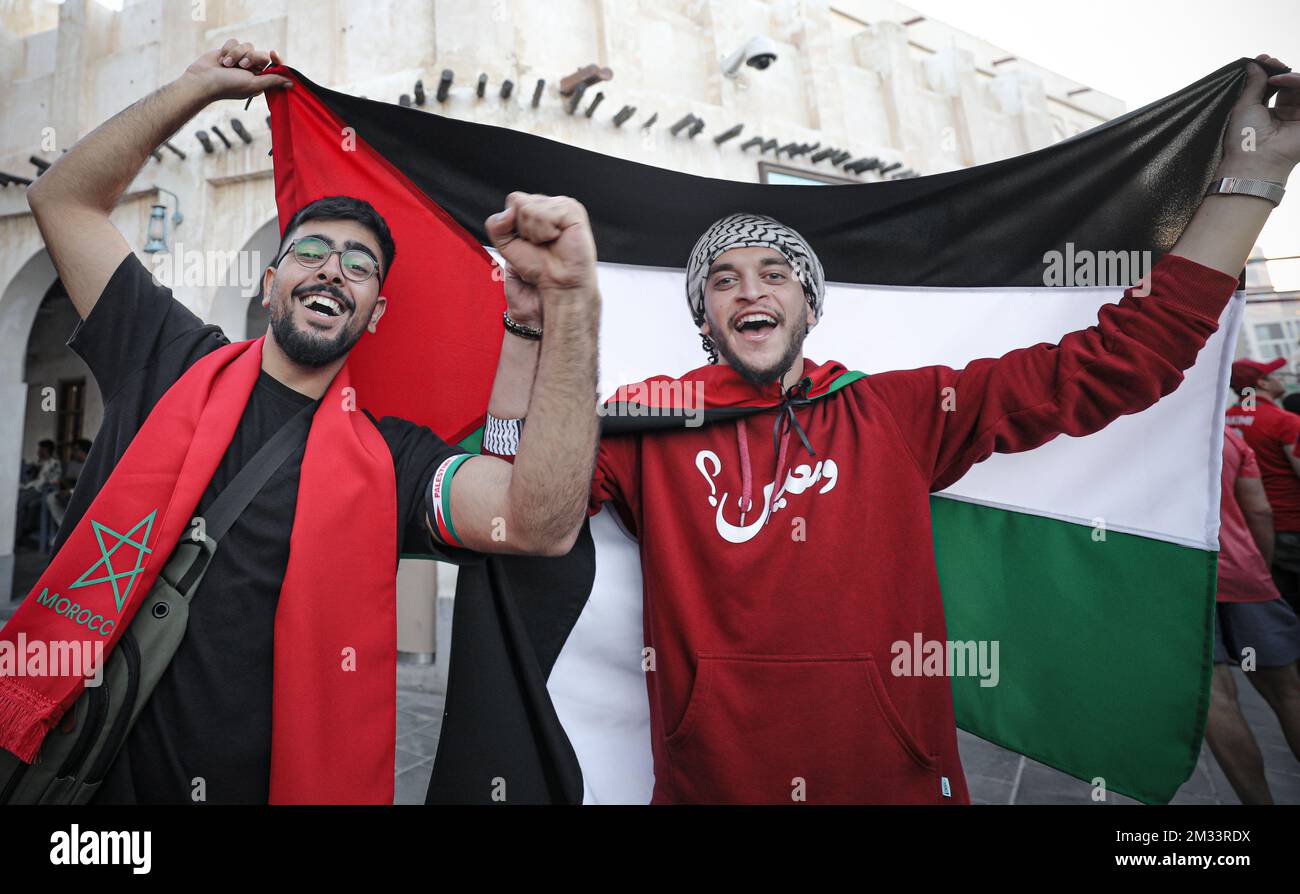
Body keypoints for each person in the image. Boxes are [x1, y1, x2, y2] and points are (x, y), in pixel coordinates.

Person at [491, 55, 1300, 803]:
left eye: (775, 274)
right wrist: (531, 328)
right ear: (704, 314)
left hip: (897, 780)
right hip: (712, 783)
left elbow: (1122, 362)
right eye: (724, 281)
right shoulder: (646, 417)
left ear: (809, 304)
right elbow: (515, 498)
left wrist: (1255, 177)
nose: (749, 291)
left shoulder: (900, 411)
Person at [0, 39, 601, 804]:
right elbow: (61, 200)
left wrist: (566, 309)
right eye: (310, 251)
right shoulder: (168, 356)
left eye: (359, 266)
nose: (332, 270)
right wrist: (191, 90)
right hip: (87, 798)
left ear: (375, 313)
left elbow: (536, 521)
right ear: (271, 278)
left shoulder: (392, 461)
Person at [1203, 425, 1300, 804]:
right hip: (1244, 574)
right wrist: (1260, 567)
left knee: (1214, 696)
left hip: (1180, 581)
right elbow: (1259, 509)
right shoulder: (1227, 437)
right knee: (1287, 691)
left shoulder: (1141, 435)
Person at [1227, 357, 1300, 616]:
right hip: (1292, 527)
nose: (1281, 378)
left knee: (1281, 605)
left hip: (1250, 532)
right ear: (1262, 383)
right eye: (1274, 374)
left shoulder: (1224, 423)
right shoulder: (1285, 421)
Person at [15, 439, 61, 544]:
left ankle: (18, 534)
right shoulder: (38, 462)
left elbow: (53, 481)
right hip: (30, 488)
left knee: (20, 502)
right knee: (15, 500)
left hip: (41, 490)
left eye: (41, 449)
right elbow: (29, 478)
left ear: (47, 450)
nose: (39, 451)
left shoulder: (54, 463)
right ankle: (20, 531)